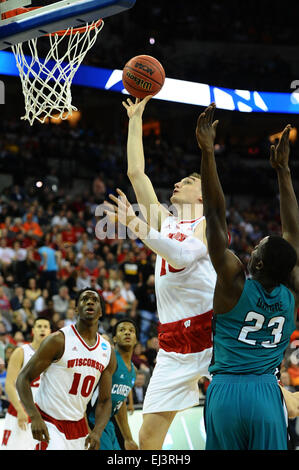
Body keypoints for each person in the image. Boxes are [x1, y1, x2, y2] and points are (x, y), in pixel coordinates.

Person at [105, 95, 217, 450]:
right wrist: (135, 118)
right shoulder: (165, 222)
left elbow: (182, 256)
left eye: (187, 181)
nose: (178, 184)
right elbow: (136, 173)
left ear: (202, 196)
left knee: (247, 412)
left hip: (213, 334)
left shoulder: (208, 224)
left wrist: (136, 225)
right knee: (147, 437)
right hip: (171, 343)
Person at [196, 103, 299, 450]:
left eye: (256, 247)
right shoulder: (292, 291)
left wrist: (208, 153)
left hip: (225, 390)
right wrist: (283, 172)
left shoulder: (233, 283)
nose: (252, 247)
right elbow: (294, 235)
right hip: (266, 394)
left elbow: (213, 213)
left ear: (255, 264)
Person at [16, 288, 117, 450]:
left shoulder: (107, 351)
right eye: (84, 299)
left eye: (94, 300)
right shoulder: (58, 340)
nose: (90, 302)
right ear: (76, 309)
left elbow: (105, 401)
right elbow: (23, 379)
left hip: (79, 426)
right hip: (49, 422)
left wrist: (97, 432)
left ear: (101, 311)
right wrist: (34, 416)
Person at [87, 318, 138, 450]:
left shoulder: (133, 370)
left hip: (108, 422)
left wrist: (128, 438)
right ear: (114, 339)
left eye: (131, 331)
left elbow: (119, 404)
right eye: (122, 330)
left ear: (136, 339)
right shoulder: (109, 358)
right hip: (93, 419)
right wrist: (86, 427)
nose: (127, 333)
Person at [1, 317, 51, 450]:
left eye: (45, 326)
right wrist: (19, 409)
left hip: (43, 414)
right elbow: (9, 384)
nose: (42, 329)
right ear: (33, 330)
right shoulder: (21, 352)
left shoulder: (54, 357)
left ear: (50, 332)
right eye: (39, 326)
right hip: (21, 410)